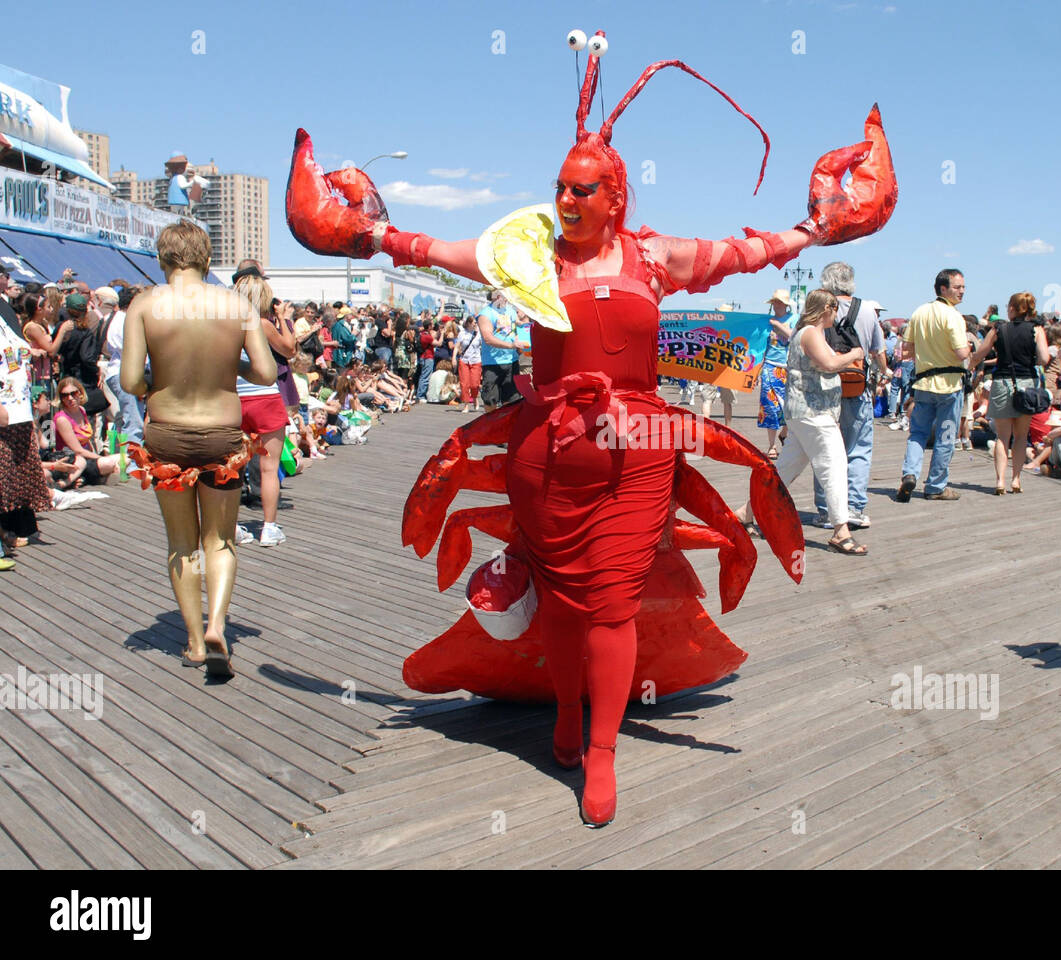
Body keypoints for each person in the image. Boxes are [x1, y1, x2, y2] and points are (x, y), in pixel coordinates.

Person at [285, 34, 900, 825]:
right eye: (560, 189)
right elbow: (422, 247)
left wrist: (814, 229)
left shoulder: (656, 257)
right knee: (568, 604)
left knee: (612, 606)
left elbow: (752, 251)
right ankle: (567, 717)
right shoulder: (523, 253)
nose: (566, 203)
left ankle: (600, 749)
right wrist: (369, 230)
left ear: (615, 198)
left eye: (582, 192)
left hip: (638, 453)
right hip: (547, 453)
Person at [121, 219, 277, 677]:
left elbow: (130, 380)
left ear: (163, 257)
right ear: (207, 258)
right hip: (220, 435)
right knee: (221, 539)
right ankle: (216, 626)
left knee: (181, 542)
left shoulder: (144, 306)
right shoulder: (234, 305)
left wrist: (159, 380)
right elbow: (267, 374)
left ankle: (191, 640)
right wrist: (230, 369)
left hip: (166, 432)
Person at [736, 289, 866, 554]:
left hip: (804, 413)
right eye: (835, 308)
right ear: (826, 308)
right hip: (814, 413)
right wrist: (854, 354)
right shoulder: (809, 333)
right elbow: (829, 364)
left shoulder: (804, 332)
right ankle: (841, 531)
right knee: (835, 467)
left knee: (784, 470)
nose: (837, 313)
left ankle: (745, 513)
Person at [812, 262, 888, 528]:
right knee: (858, 450)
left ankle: (826, 510)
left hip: (823, 390)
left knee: (824, 451)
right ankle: (854, 508)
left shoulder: (818, 308)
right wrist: (885, 372)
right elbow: (877, 351)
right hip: (857, 390)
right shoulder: (867, 309)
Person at [898, 268, 969, 502]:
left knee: (917, 433)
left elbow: (906, 349)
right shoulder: (953, 316)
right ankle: (936, 486)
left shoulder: (920, 312)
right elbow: (961, 353)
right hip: (949, 386)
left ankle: (910, 473)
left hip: (924, 383)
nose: (962, 292)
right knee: (946, 437)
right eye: (957, 287)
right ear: (943, 289)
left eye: (963, 287)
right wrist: (969, 348)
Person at [231, 275, 292, 548]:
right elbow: (289, 349)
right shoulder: (262, 323)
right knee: (269, 469)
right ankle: (269, 527)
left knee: (234, 468)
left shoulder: (224, 324)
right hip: (264, 398)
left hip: (233, 399)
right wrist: (282, 318)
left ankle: (230, 525)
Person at [968, 291, 1050, 493]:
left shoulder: (998, 328)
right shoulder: (1036, 329)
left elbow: (980, 353)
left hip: (1002, 381)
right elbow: (1044, 358)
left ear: (1012, 308)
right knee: (1021, 436)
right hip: (1027, 384)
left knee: (1002, 437)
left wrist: (971, 364)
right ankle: (1016, 479)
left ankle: (1000, 481)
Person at [0, 311, 51, 566]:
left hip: (19, 408)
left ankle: (15, 525)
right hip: (3, 410)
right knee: (3, 473)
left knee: (17, 474)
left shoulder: (5, 312)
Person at [100, 286, 148, 446]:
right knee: (133, 423)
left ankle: (121, 460)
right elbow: (134, 351)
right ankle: (131, 466)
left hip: (122, 372)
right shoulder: (125, 321)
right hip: (126, 373)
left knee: (124, 420)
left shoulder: (120, 319)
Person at [51, 377, 121, 486]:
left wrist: (97, 457)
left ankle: (86, 478)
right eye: (65, 395)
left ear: (80, 393)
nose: (70, 398)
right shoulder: (62, 419)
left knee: (124, 459)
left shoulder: (82, 410)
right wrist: (101, 458)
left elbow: (87, 441)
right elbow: (78, 451)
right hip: (73, 460)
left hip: (88, 457)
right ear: (61, 398)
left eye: (73, 393)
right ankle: (82, 478)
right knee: (111, 462)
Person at [757, 289, 793, 458]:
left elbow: (796, 337)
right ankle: (771, 446)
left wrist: (778, 326)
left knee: (790, 406)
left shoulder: (794, 319)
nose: (777, 305)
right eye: (775, 302)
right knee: (769, 406)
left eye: (779, 302)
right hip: (770, 367)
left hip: (789, 367)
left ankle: (785, 433)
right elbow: (761, 346)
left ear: (786, 304)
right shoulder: (767, 321)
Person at [476, 289, 522, 411]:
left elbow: (517, 328)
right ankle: (490, 427)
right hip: (492, 363)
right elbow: (488, 338)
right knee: (490, 400)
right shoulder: (485, 314)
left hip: (512, 362)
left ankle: (508, 428)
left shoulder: (510, 311)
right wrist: (511, 346)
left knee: (512, 399)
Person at [453, 311, 483, 412]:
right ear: (469, 323)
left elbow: (483, 347)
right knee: (464, 383)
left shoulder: (479, 334)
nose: (476, 324)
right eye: (474, 322)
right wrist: (454, 358)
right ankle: (466, 404)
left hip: (476, 360)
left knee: (475, 384)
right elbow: (457, 346)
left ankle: (474, 398)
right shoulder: (463, 333)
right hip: (464, 360)